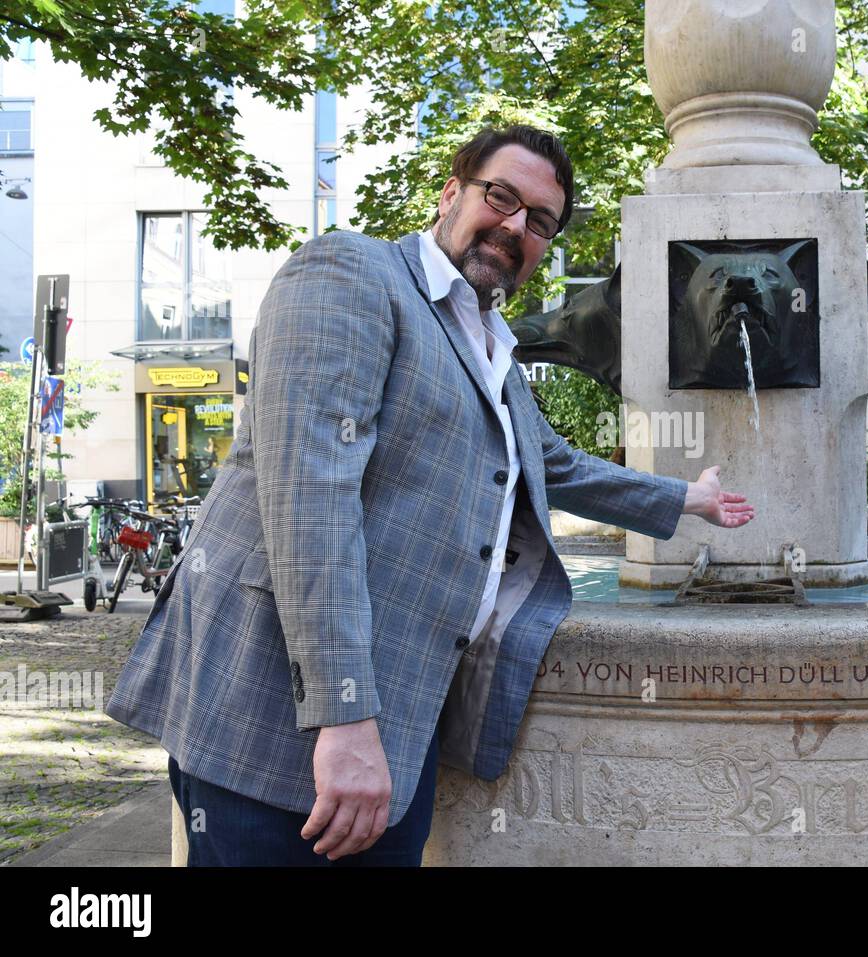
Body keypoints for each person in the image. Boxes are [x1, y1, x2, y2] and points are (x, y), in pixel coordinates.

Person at [106, 125, 755, 866]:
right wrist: (345, 717)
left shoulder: (493, 347)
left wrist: (686, 499)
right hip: (280, 723)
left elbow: (558, 466)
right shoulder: (350, 273)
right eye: (501, 197)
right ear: (452, 193)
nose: (515, 226)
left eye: (539, 221)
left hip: (400, 731)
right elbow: (309, 497)